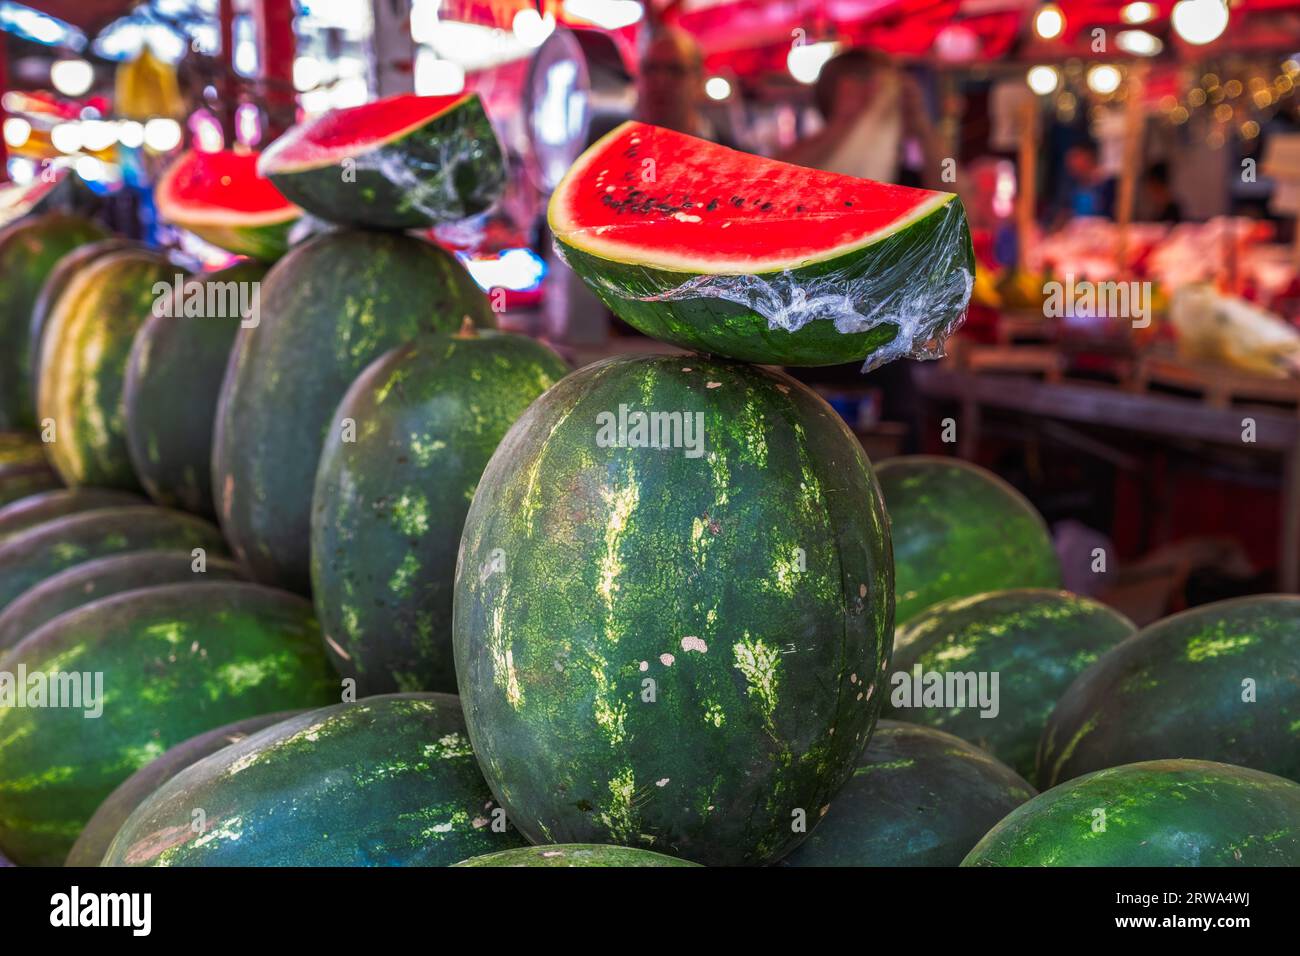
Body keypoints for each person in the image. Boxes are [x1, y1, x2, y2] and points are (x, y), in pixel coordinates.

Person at [777, 48, 945, 189]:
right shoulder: (810, 171)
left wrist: (922, 127)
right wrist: (844, 122)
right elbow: (773, 181)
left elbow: (961, 206)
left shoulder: (907, 177)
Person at [1059, 140, 1116, 220]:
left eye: (1076, 157)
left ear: (1089, 157)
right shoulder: (1071, 186)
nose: (1071, 163)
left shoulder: (1108, 184)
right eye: (1069, 158)